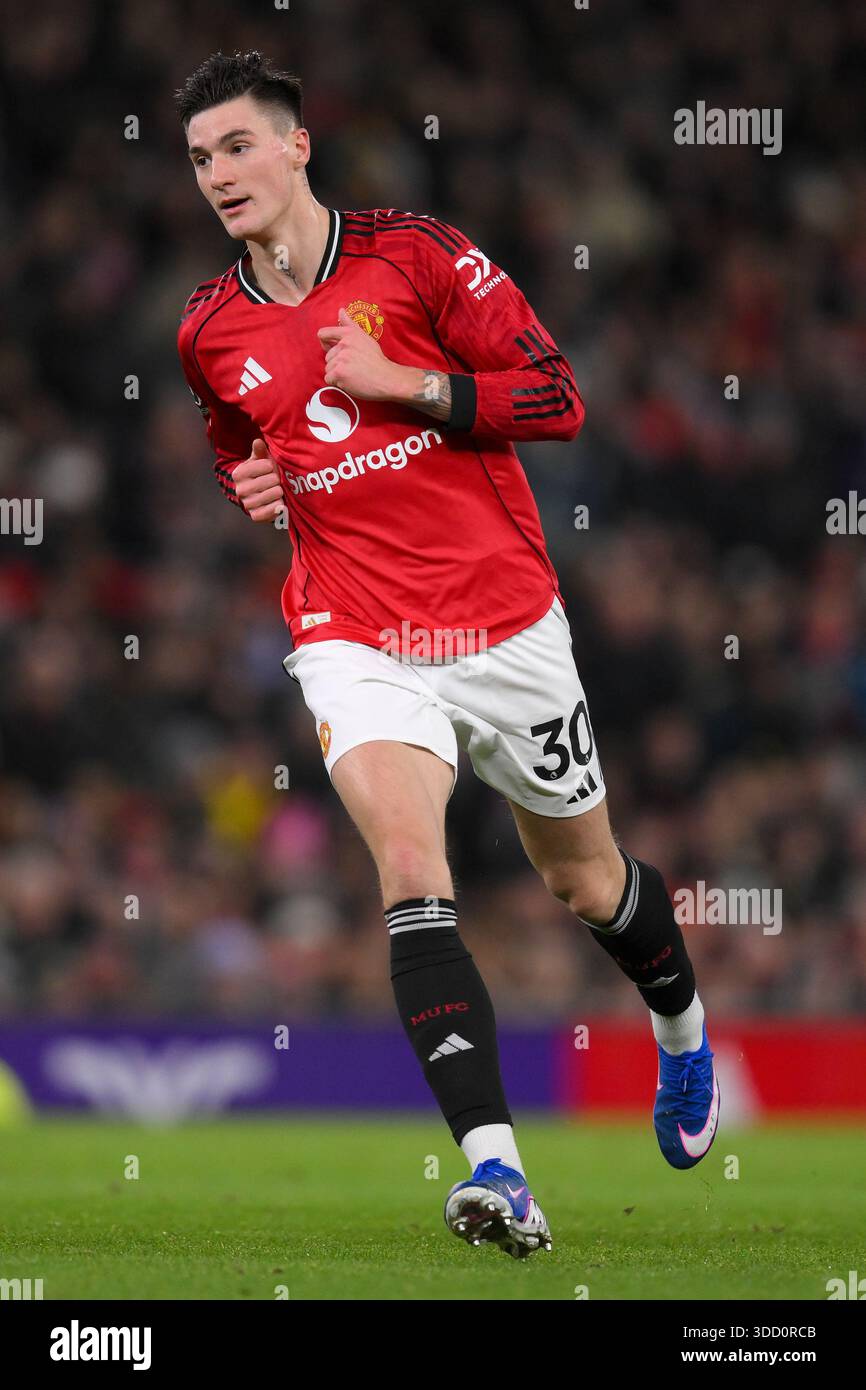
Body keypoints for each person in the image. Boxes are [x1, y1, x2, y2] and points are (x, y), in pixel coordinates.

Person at [176, 49, 719, 1259]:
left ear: (296, 145)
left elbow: (556, 394)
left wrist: (406, 382)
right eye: (202, 157)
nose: (220, 173)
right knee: (411, 869)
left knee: (583, 882)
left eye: (239, 146)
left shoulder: (414, 256)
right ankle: (498, 1174)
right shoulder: (209, 329)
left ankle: (681, 1032)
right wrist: (245, 482)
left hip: (504, 623)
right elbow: (233, 445)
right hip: (355, 633)